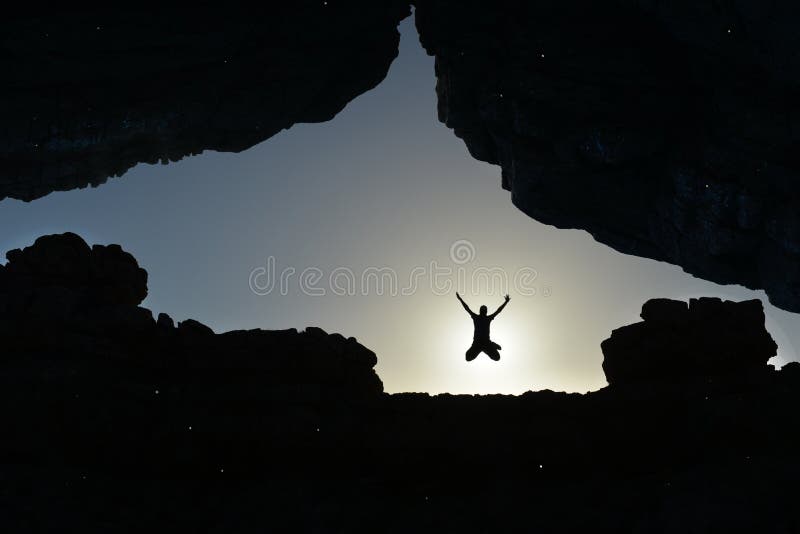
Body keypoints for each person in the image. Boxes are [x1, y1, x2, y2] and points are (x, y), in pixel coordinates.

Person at [456, 292, 510, 361]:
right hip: (477, 343)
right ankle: (491, 345)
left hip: (485, 343)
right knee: (468, 358)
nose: (484, 312)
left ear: (485, 312)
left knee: (497, 358)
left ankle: (492, 345)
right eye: (483, 310)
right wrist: (460, 299)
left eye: (484, 310)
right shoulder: (478, 317)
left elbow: (498, 311)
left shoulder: (485, 318)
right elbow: (467, 308)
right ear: (481, 311)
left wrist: (506, 302)